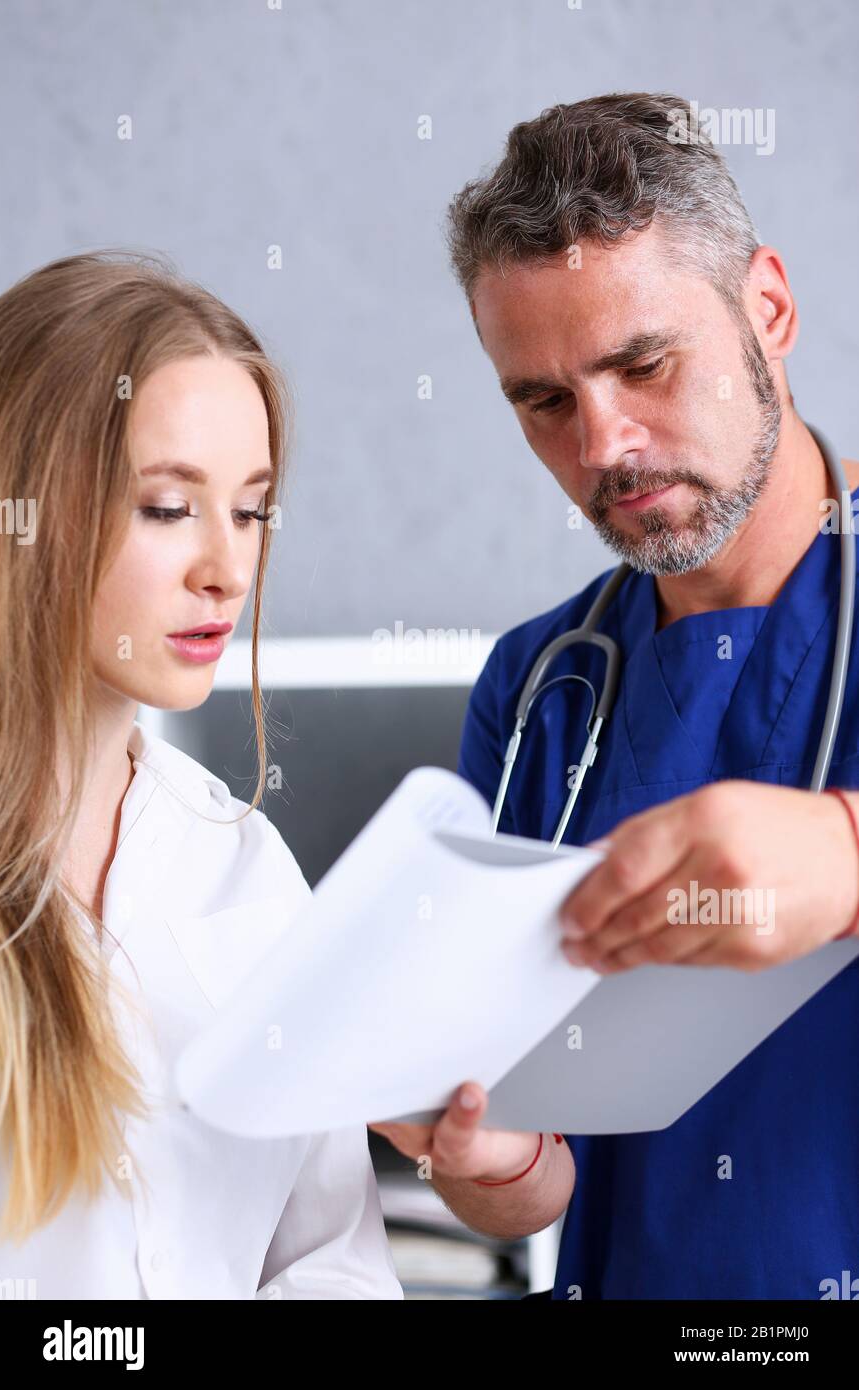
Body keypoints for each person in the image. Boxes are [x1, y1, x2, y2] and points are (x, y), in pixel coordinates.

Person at [372, 91, 859, 1300]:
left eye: (642, 364)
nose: (601, 447)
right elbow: (541, 1167)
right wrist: (481, 1154)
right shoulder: (541, 686)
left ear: (768, 309)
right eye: (542, 401)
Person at [0, 250, 402, 1300]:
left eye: (251, 509)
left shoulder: (244, 870)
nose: (227, 567)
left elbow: (332, 1259)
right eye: (169, 507)